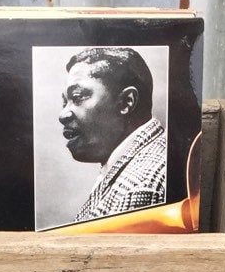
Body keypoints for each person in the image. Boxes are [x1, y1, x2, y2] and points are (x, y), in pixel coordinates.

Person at [58, 47, 167, 222]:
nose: (63, 115)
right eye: (65, 102)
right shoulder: (140, 163)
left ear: (126, 102)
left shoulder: (139, 188)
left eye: (77, 96)